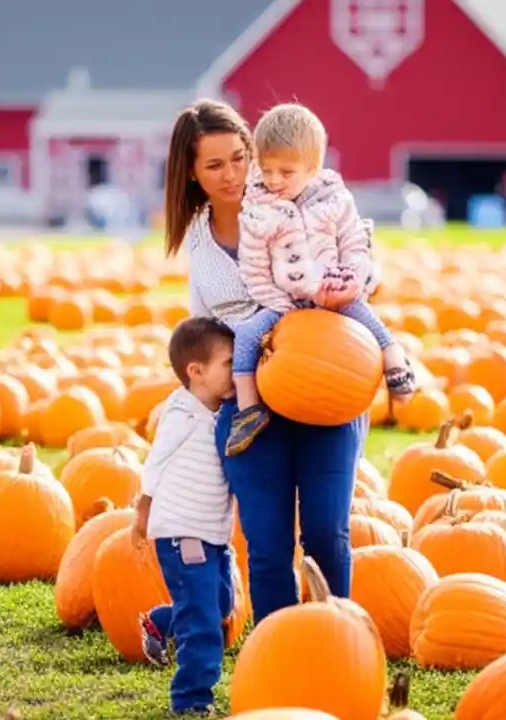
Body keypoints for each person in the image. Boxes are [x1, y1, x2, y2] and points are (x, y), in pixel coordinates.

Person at [163, 99, 366, 625]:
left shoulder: (304, 197)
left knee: (326, 530)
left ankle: (333, 638)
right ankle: (277, 643)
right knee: (267, 543)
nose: (232, 174)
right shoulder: (199, 241)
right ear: (191, 174)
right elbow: (202, 328)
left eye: (238, 157)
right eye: (214, 165)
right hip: (250, 404)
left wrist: (355, 289)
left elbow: (360, 255)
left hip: (325, 386)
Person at [225, 102, 415, 456]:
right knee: (248, 334)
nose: (274, 180)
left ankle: (395, 366)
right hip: (286, 304)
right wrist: (284, 310)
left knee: (369, 324)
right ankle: (249, 410)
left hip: (335, 293)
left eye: (286, 171)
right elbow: (253, 270)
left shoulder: (336, 202)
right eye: (266, 170)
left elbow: (356, 245)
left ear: (312, 169)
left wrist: (350, 283)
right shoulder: (256, 213)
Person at [133, 316, 237, 718]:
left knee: (220, 602)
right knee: (205, 621)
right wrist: (142, 513)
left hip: (212, 532)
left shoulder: (218, 409)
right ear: (196, 372)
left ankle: (161, 622)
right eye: (228, 363)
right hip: (181, 532)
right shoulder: (182, 414)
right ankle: (191, 700)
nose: (236, 370)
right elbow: (154, 464)